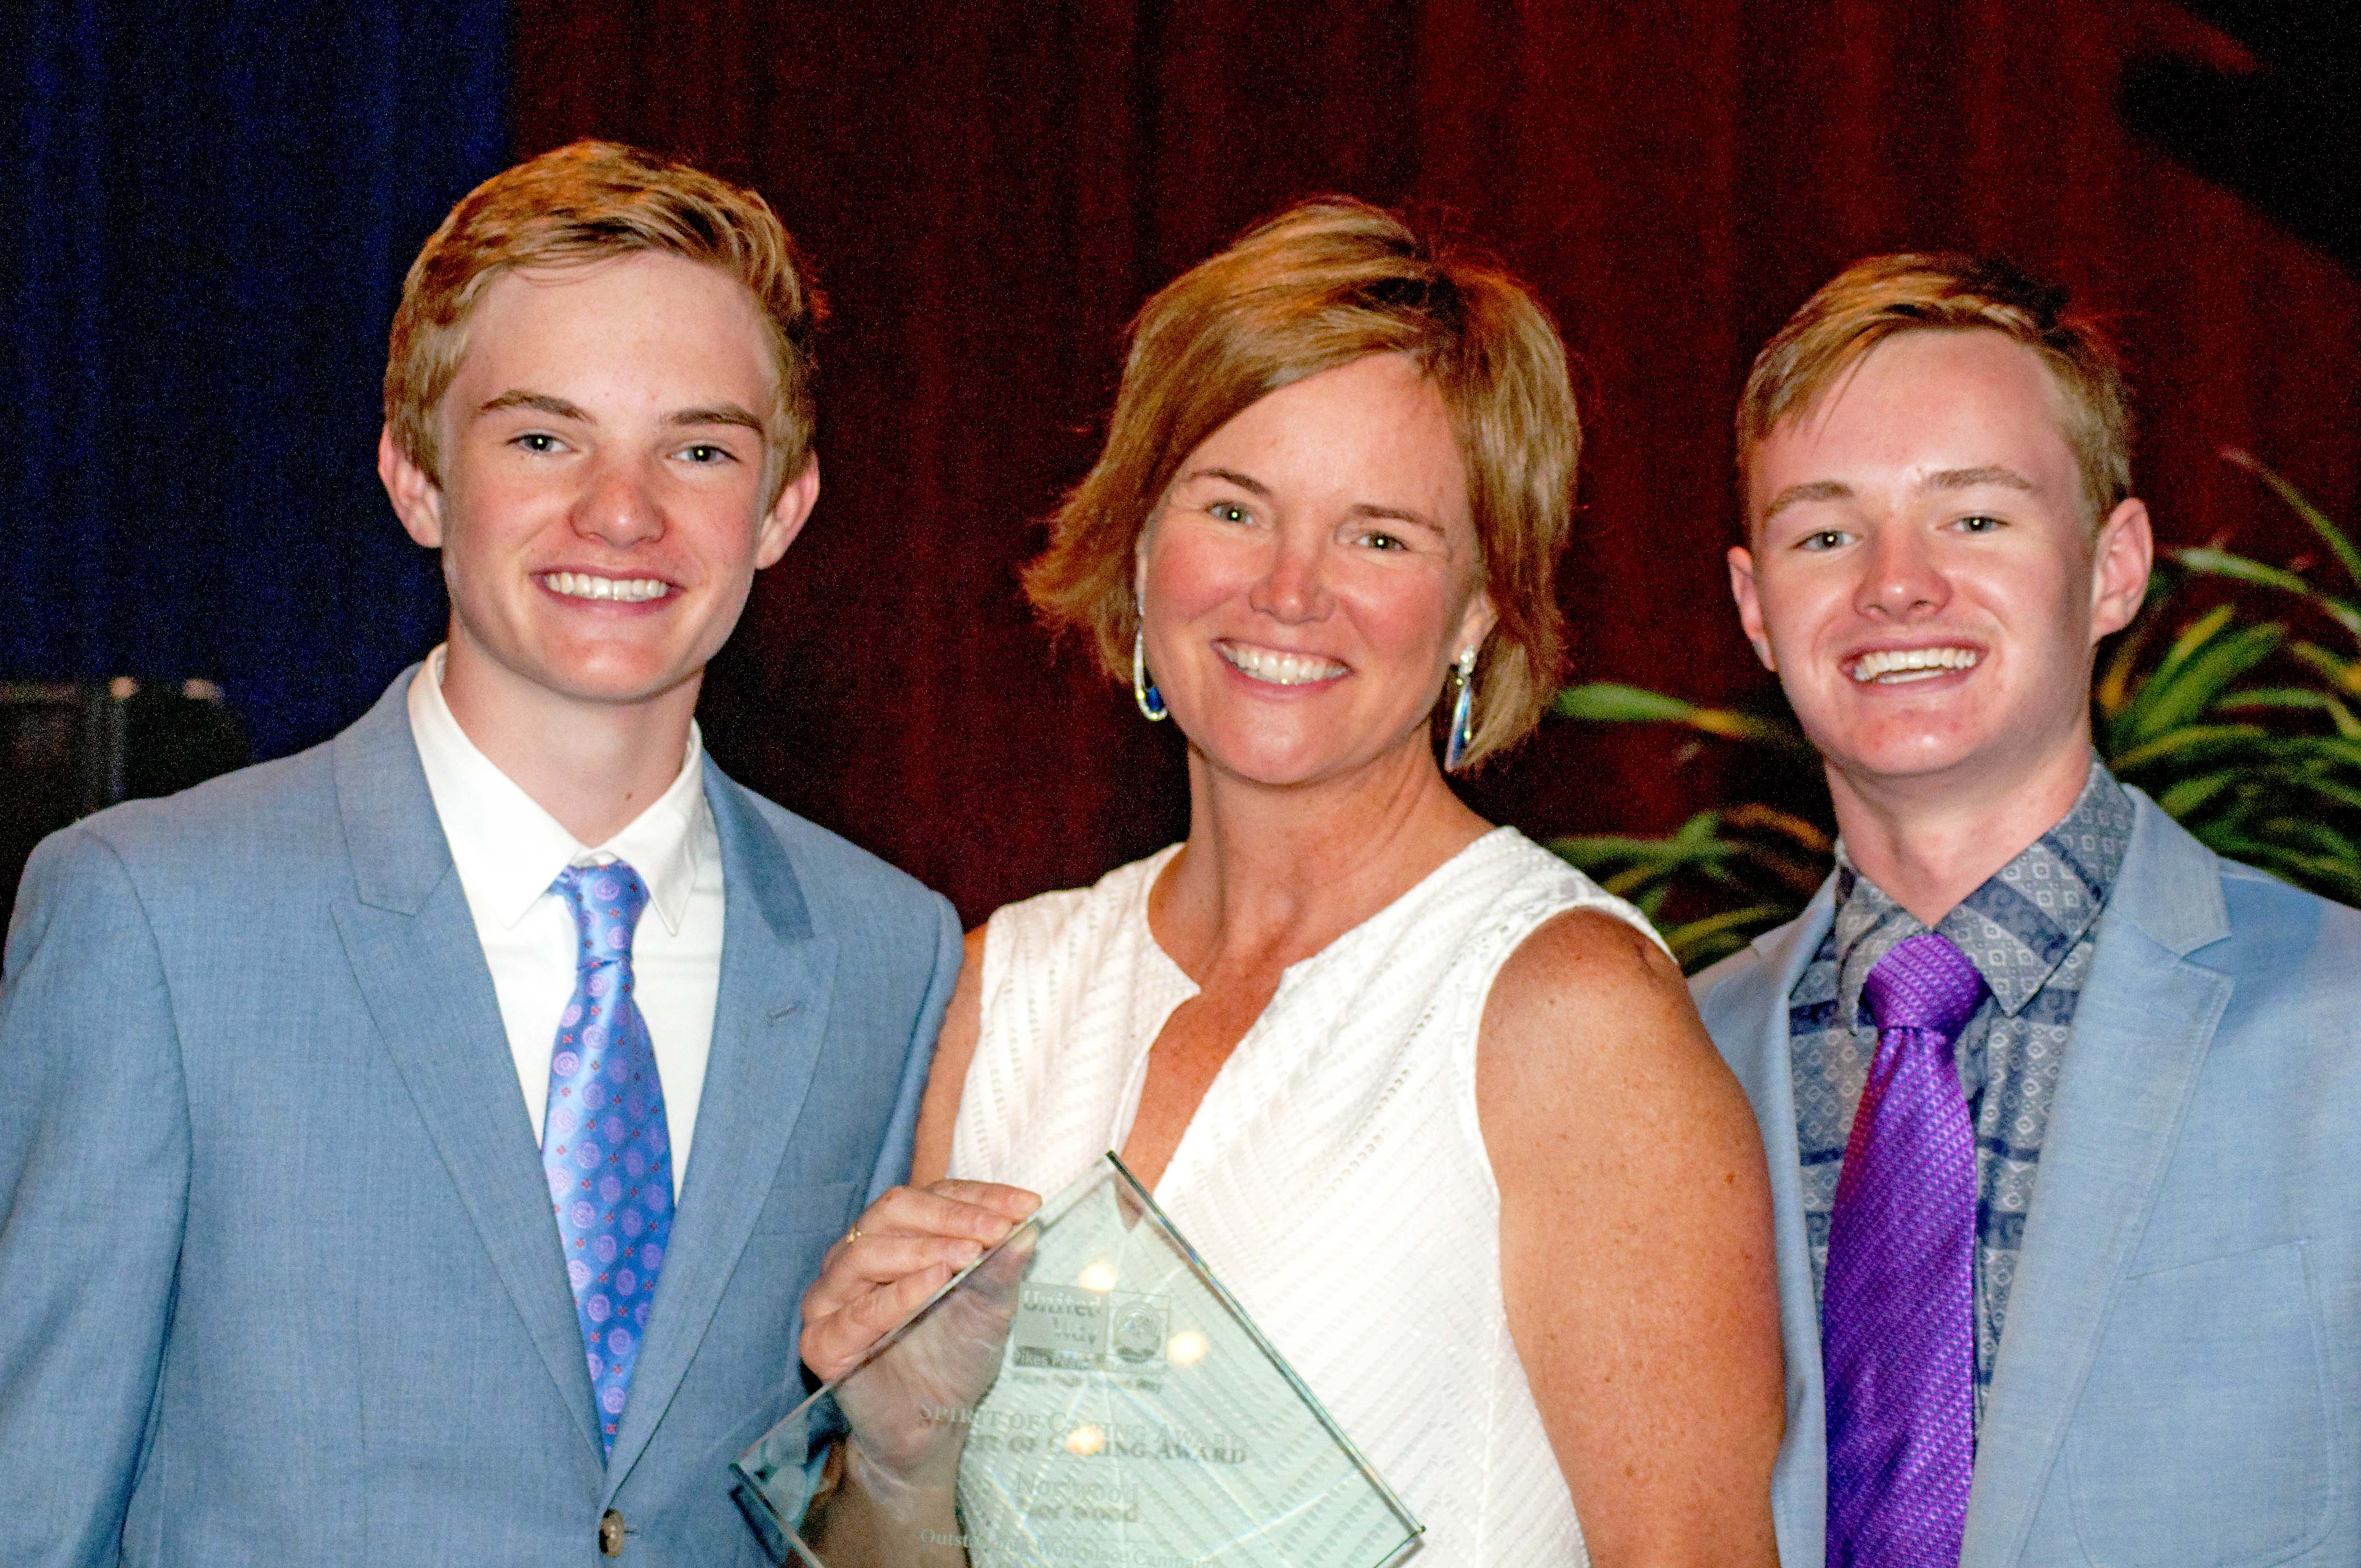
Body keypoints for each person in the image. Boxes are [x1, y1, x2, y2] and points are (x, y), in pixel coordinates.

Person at [0, 141, 996, 1566]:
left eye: (699, 449)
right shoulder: (155, 922)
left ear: (783, 507)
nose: (622, 510)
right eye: (543, 438)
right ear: (415, 479)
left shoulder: (887, 954)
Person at [799, 200, 1784, 1566]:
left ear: (1481, 604)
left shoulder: (1567, 1010)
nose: (1287, 589)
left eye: (1377, 536)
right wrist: (900, 1462)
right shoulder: (1005, 985)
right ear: (1140, 544)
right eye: (1232, 507)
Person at [1699, 253, 2361, 1566]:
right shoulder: (1663, 1061)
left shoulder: (2344, 1029)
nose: (1895, 584)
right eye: (1822, 532)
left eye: (1975, 519)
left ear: (2114, 567)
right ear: (1752, 606)